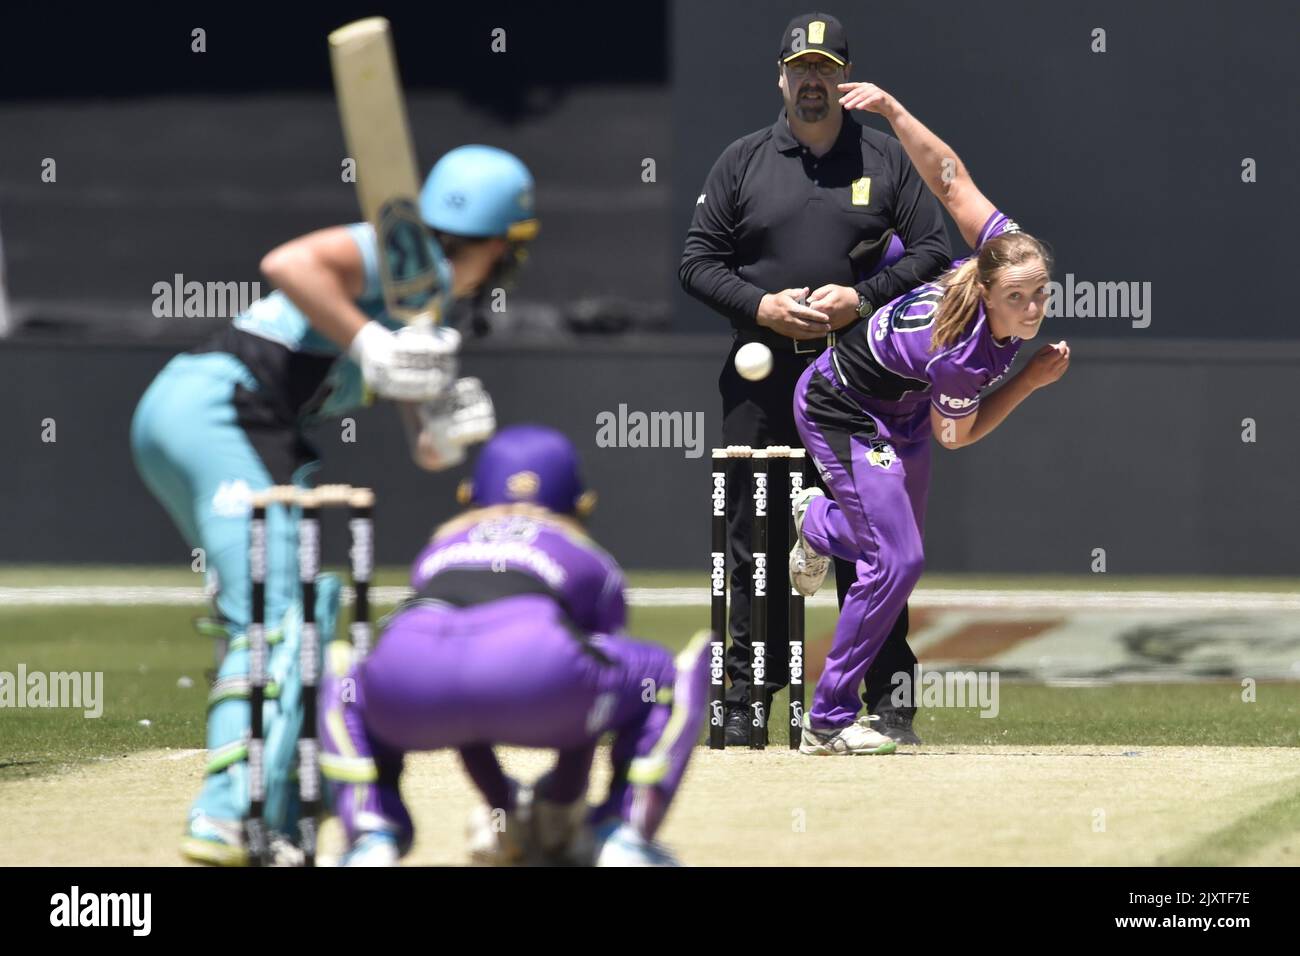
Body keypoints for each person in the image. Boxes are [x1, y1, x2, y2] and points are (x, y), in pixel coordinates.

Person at [130, 145, 538, 864]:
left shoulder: (426, 305)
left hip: (220, 419)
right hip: (222, 408)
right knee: (283, 623)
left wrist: (442, 426)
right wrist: (369, 339)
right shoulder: (403, 257)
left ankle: (276, 818)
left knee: (294, 614)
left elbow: (425, 438)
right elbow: (289, 262)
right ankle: (226, 818)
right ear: (501, 242)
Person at [679, 12, 952, 746]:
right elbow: (697, 263)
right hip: (761, 382)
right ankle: (744, 704)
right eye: (801, 69)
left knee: (876, 538)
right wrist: (763, 306)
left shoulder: (885, 160)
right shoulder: (742, 161)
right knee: (752, 543)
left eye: (826, 70)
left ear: (843, 79)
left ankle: (886, 703)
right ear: (781, 76)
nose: (812, 83)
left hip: (857, 386)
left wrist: (860, 301)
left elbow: (936, 250)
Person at [787, 82, 1070, 755]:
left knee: (890, 550)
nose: (1032, 311)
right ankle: (825, 721)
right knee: (901, 559)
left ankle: (817, 522)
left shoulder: (996, 251)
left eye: (1040, 295)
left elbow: (950, 179)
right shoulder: (963, 358)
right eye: (1018, 299)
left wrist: (893, 111)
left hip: (902, 408)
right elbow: (959, 434)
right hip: (842, 406)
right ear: (990, 292)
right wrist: (1028, 381)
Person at [319, 424, 710, 867]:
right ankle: (625, 835)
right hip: (536, 673)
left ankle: (370, 835)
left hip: (410, 685)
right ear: (582, 504)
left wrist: (503, 804)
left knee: (343, 674)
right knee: (668, 673)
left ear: (468, 495)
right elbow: (589, 673)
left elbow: (466, 703)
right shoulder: (587, 554)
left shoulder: (440, 548)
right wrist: (564, 803)